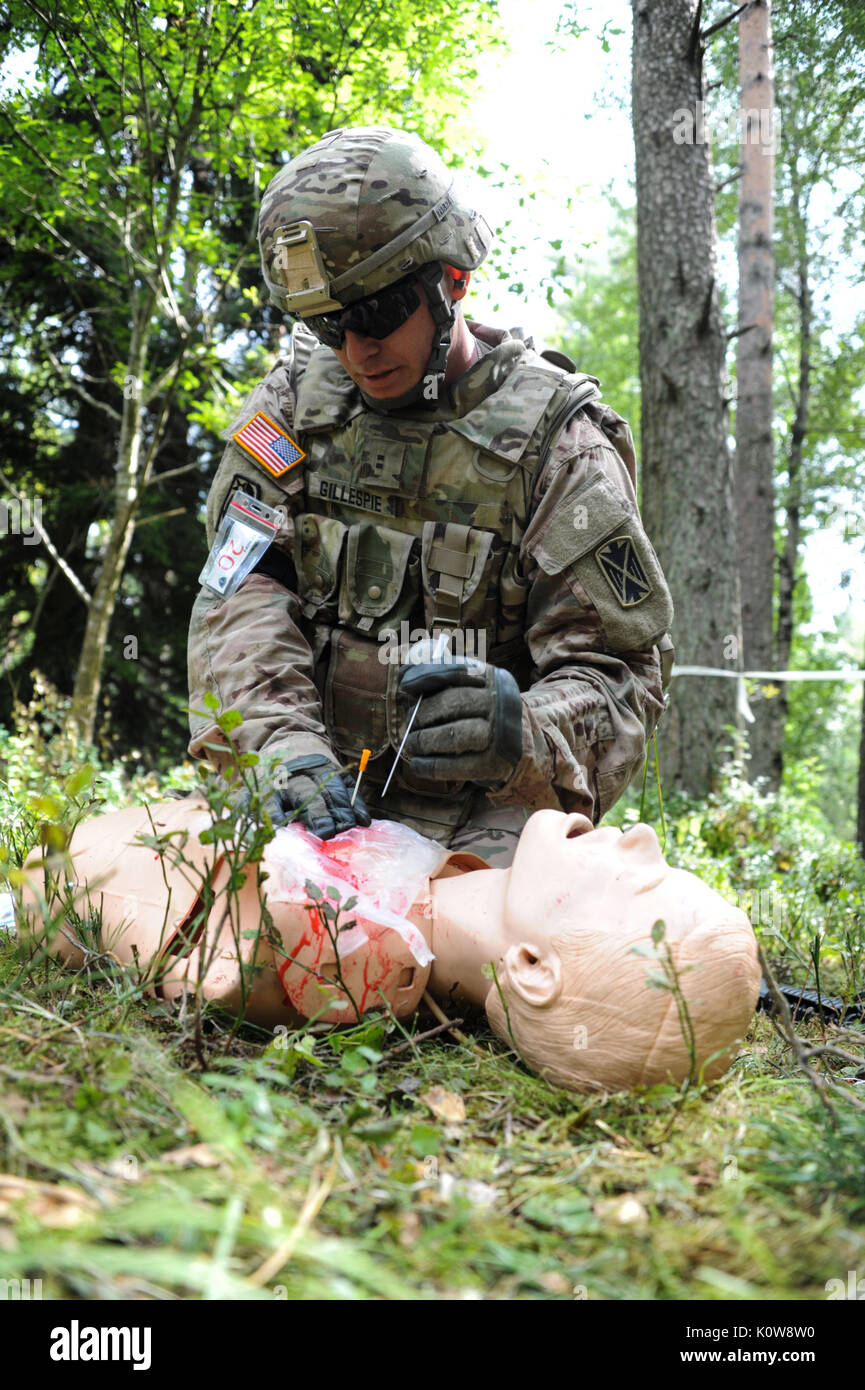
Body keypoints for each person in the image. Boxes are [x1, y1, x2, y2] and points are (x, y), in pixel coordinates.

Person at [187, 125, 675, 868]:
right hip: (302, 788)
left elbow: (619, 673)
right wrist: (283, 745)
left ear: (451, 279)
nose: (356, 351)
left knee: (505, 961)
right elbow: (239, 593)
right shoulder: (292, 409)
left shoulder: (557, 447)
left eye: (378, 316)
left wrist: (522, 729)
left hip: (481, 815)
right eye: (330, 325)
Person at [22, 803, 760, 1095]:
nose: (641, 838)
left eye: (634, 883)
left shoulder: (343, 951)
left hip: (83, 881)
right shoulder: (406, 925)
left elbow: (204, 968)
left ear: (533, 969)